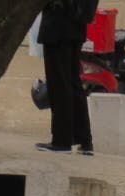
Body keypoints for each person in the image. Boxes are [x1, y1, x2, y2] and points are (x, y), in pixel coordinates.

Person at [35, 0, 94, 155]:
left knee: (59, 84)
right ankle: (85, 140)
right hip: (76, 27)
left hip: (58, 27)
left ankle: (61, 141)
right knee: (74, 83)